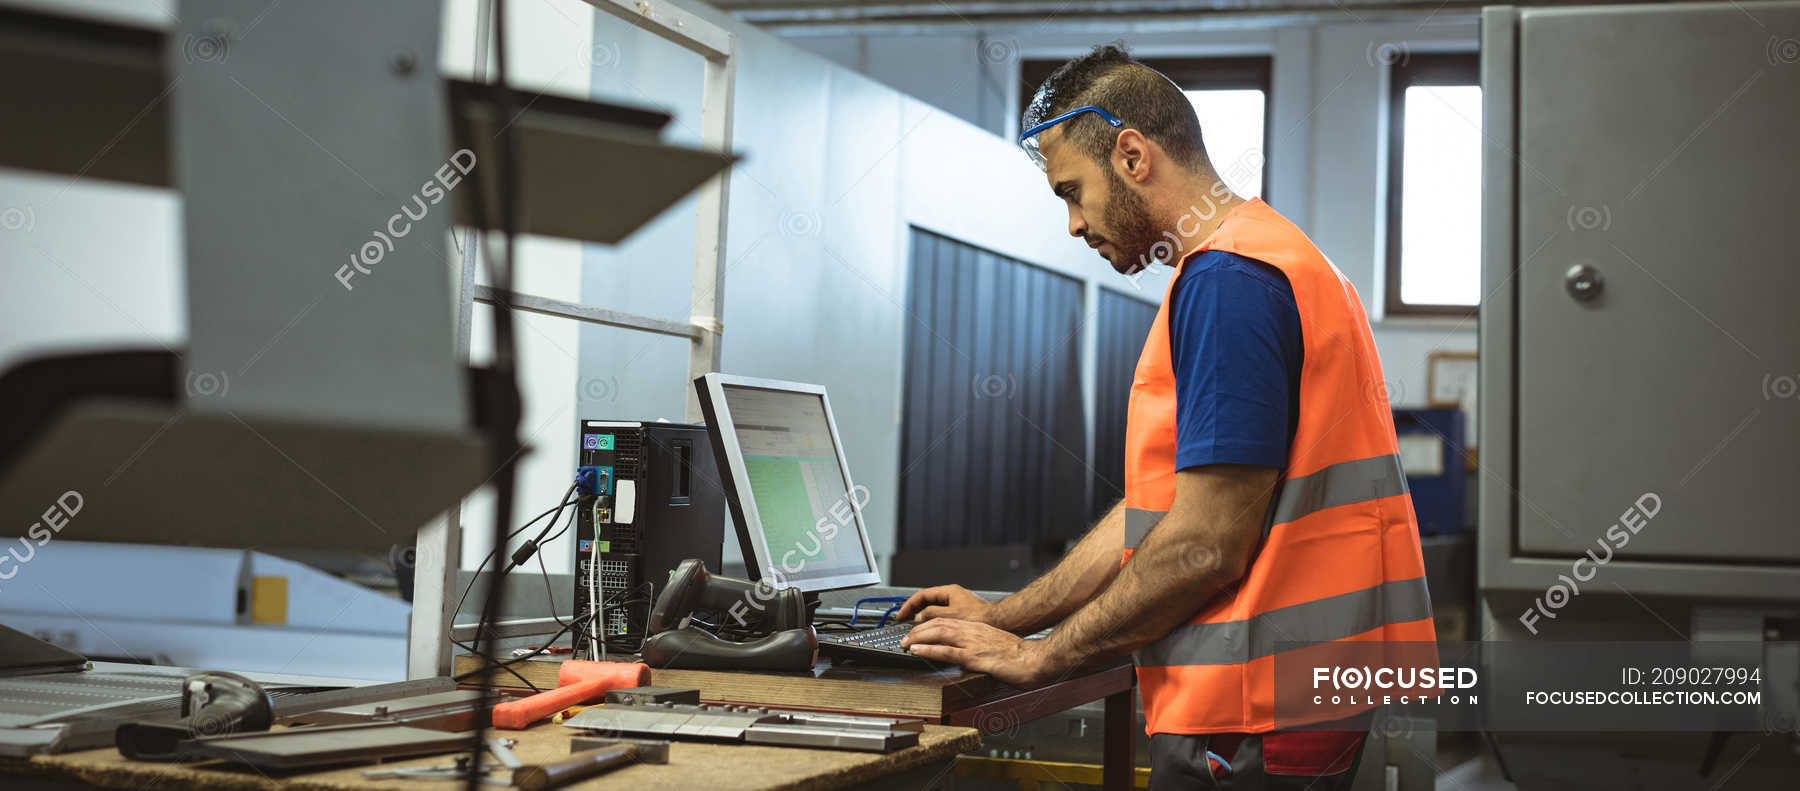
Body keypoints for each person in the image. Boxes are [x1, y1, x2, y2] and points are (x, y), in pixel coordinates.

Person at [897, 44, 1436, 790]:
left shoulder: (1230, 281)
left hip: (1252, 710)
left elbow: (1203, 544)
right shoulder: (1269, 258)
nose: (1073, 225)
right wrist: (1008, 618)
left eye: (1072, 191)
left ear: (1131, 155)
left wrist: (1043, 657)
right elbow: (1156, 515)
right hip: (1292, 700)